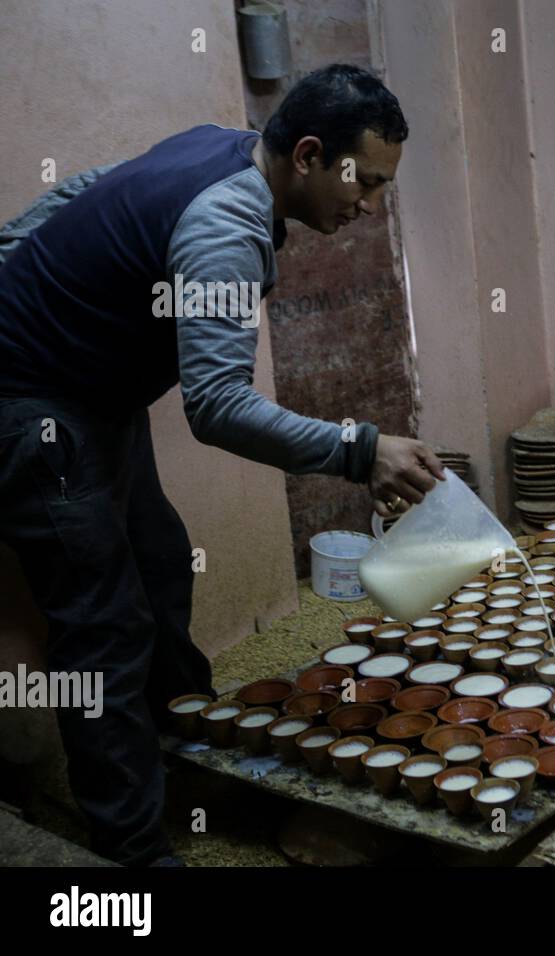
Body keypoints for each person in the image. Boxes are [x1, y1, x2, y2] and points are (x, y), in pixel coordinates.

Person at [0, 64, 440, 866]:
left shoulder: (220, 146)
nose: (370, 207)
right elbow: (218, 408)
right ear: (307, 154)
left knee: (161, 564)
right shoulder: (227, 229)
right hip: (30, 400)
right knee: (102, 624)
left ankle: (186, 761)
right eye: (363, 183)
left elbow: (93, 192)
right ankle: (134, 854)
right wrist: (361, 451)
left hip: (91, 391)